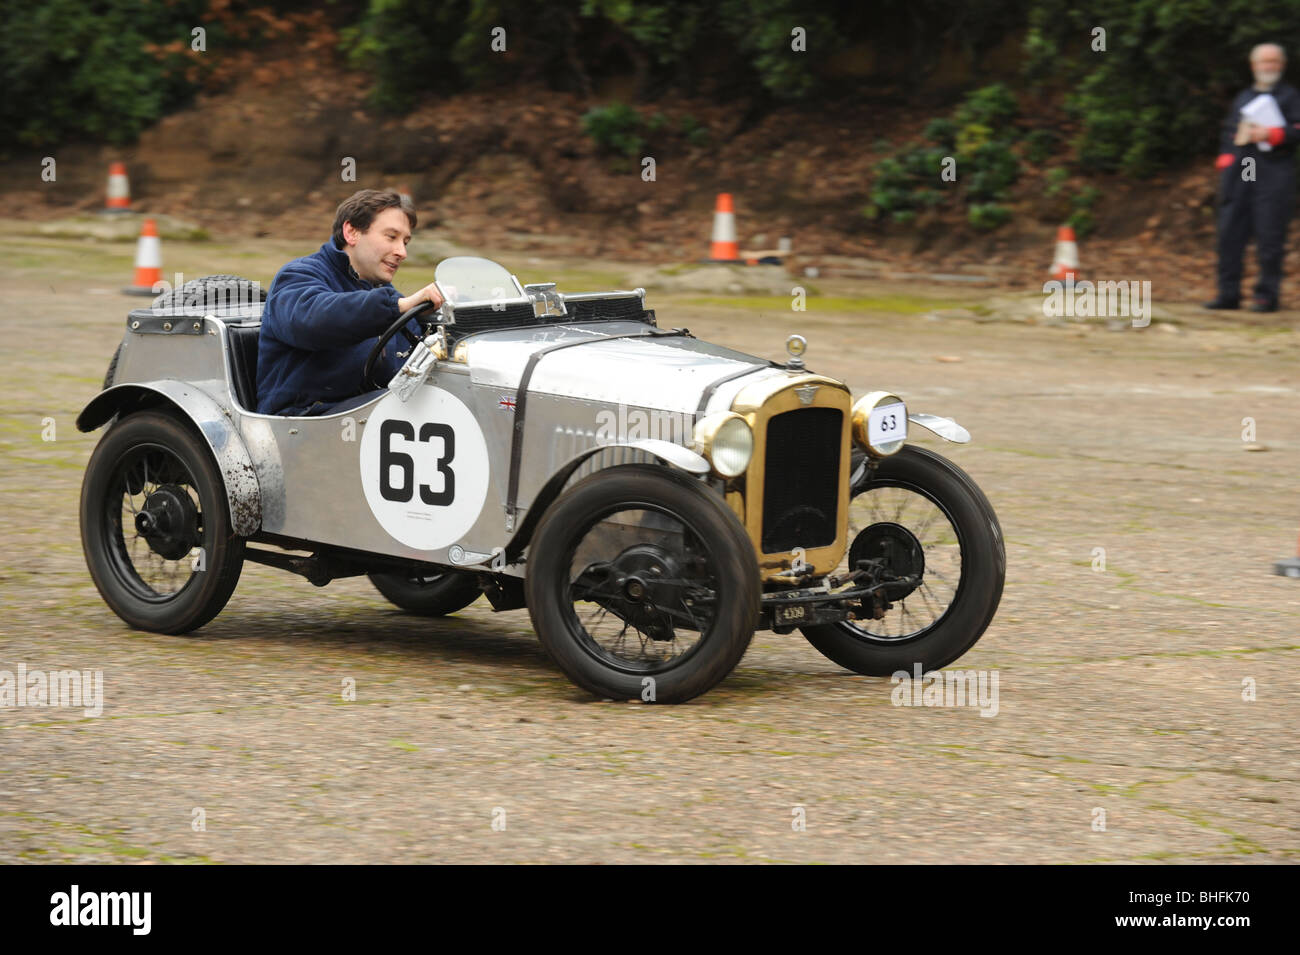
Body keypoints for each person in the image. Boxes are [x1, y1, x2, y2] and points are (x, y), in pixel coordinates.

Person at [255, 189, 444, 415]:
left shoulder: (381, 290)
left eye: (405, 241)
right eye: (391, 237)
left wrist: (436, 324)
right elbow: (313, 320)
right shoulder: (298, 276)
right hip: (304, 419)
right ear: (352, 232)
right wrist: (399, 307)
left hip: (367, 413)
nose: (402, 252)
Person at [1205, 43, 1300, 313]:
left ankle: (1266, 296)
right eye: (1263, 62)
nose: (1268, 67)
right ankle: (1228, 293)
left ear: (1281, 65)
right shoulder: (1244, 96)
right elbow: (1229, 131)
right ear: (1253, 66)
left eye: (1273, 62)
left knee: (1270, 234)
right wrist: (1225, 160)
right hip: (1242, 169)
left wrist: (1274, 134)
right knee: (1230, 232)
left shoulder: (1291, 96)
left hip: (1273, 171)